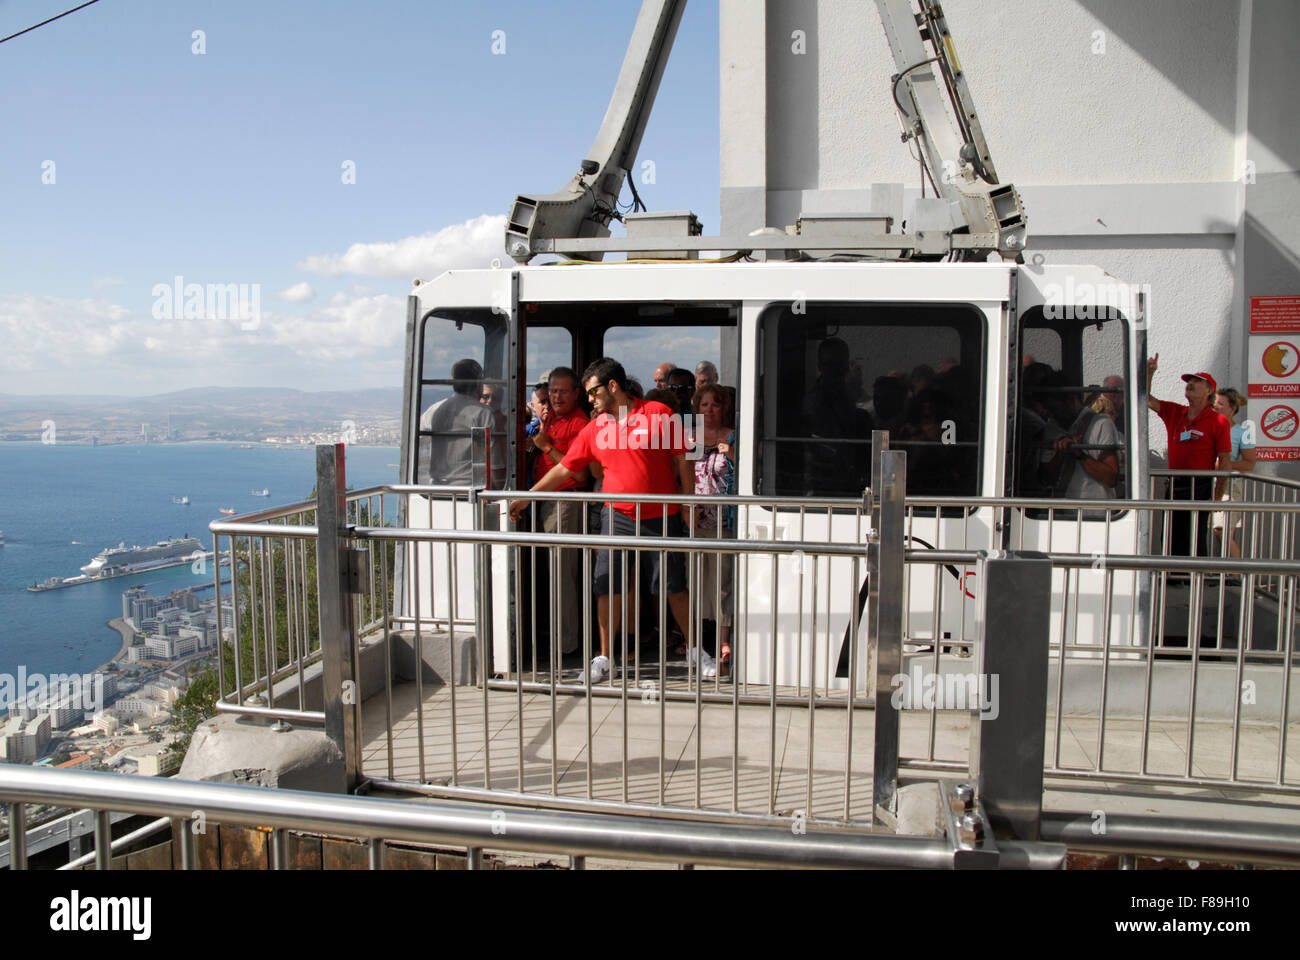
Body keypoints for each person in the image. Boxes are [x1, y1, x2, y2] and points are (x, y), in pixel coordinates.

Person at [509, 358, 708, 683]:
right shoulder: (597, 427)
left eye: (592, 391)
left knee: (673, 587)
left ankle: (698, 651)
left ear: (612, 386)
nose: (589, 399)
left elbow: (683, 457)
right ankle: (604, 659)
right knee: (607, 586)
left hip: (662, 515)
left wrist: (688, 503)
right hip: (616, 516)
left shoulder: (658, 413)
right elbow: (566, 469)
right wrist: (529, 495)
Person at [527, 368, 591, 654]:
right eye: (553, 391)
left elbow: (579, 475)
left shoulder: (579, 423)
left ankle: (566, 644)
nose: (557, 396)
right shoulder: (551, 418)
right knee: (554, 571)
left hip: (565, 501)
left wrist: (547, 447)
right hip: (548, 501)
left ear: (576, 393)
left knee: (563, 574)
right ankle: (556, 636)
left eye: (563, 391)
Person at [1147, 355, 1232, 558]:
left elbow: (1225, 460)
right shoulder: (1175, 412)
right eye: (1188, 382)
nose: (1190, 384)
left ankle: (1194, 576)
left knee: (1195, 533)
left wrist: (1217, 496)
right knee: (1170, 532)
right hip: (1176, 482)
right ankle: (1172, 576)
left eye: (1196, 382)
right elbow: (1147, 399)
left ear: (1209, 390)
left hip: (1200, 484)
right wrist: (1150, 373)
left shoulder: (1218, 421)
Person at [690, 384, 737, 676]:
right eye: (704, 404)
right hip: (693, 524)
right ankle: (696, 648)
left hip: (723, 523)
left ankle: (723, 647)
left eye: (715, 405)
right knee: (692, 584)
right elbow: (678, 474)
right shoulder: (688, 436)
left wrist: (731, 453)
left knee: (722, 586)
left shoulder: (734, 435)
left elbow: (750, 469)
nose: (709, 410)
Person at [420, 358, 499, 485]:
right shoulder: (482, 413)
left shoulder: (434, 410)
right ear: (478, 383)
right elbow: (484, 455)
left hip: (437, 487)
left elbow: (423, 447)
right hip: (469, 488)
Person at [1210, 387, 1256, 558]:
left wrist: (1225, 465)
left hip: (1229, 488)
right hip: (1208, 486)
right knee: (1221, 532)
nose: (1215, 407)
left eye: (1220, 404)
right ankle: (1227, 575)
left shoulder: (1243, 432)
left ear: (1233, 408)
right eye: (1214, 404)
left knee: (1222, 531)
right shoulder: (1210, 429)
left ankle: (1238, 575)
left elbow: (1250, 463)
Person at [1054, 391, 1120, 502]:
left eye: (1055, 409)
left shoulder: (1101, 424)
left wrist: (1079, 453)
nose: (1050, 414)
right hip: (1060, 511)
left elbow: (1111, 478)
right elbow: (1044, 478)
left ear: (1071, 401)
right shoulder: (1052, 425)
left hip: (1092, 512)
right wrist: (1060, 453)